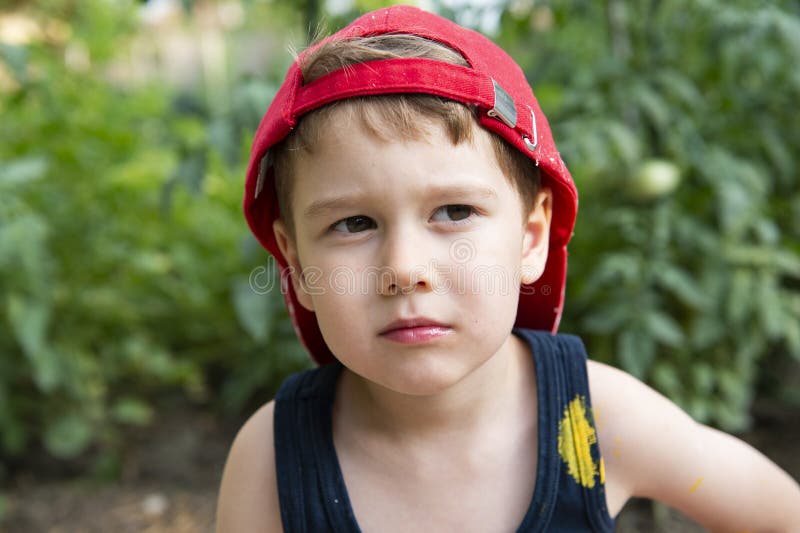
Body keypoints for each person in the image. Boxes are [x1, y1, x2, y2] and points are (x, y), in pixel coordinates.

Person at [216, 5, 800, 532]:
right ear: (295, 262)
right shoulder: (273, 459)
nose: (405, 270)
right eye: (353, 224)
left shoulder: (599, 421)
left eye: (453, 211)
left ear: (530, 237)